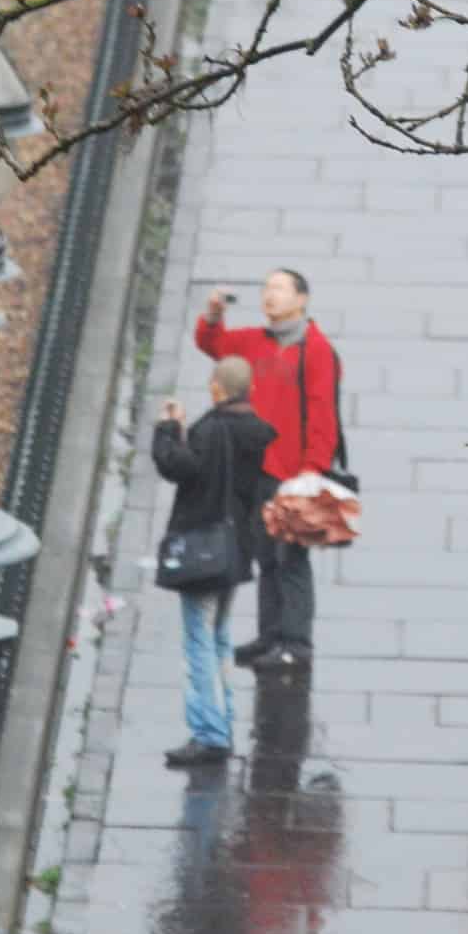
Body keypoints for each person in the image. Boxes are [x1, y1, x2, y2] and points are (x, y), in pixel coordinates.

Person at [195, 267, 342, 670]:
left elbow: (323, 416)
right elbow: (213, 345)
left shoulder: (316, 351)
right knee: (266, 556)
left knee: (291, 559)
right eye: (266, 288)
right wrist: (213, 315)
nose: (269, 295)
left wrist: (312, 470)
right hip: (258, 472)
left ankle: (296, 644)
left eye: (279, 288)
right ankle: (270, 636)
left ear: (301, 299)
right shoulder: (254, 341)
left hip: (294, 474)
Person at [153, 357, 277, 770]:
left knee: (199, 642)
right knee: (219, 637)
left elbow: (178, 467)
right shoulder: (254, 432)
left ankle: (210, 734)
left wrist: (168, 429)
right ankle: (222, 721)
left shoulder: (212, 430)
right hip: (235, 551)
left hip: (204, 554)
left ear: (218, 389)